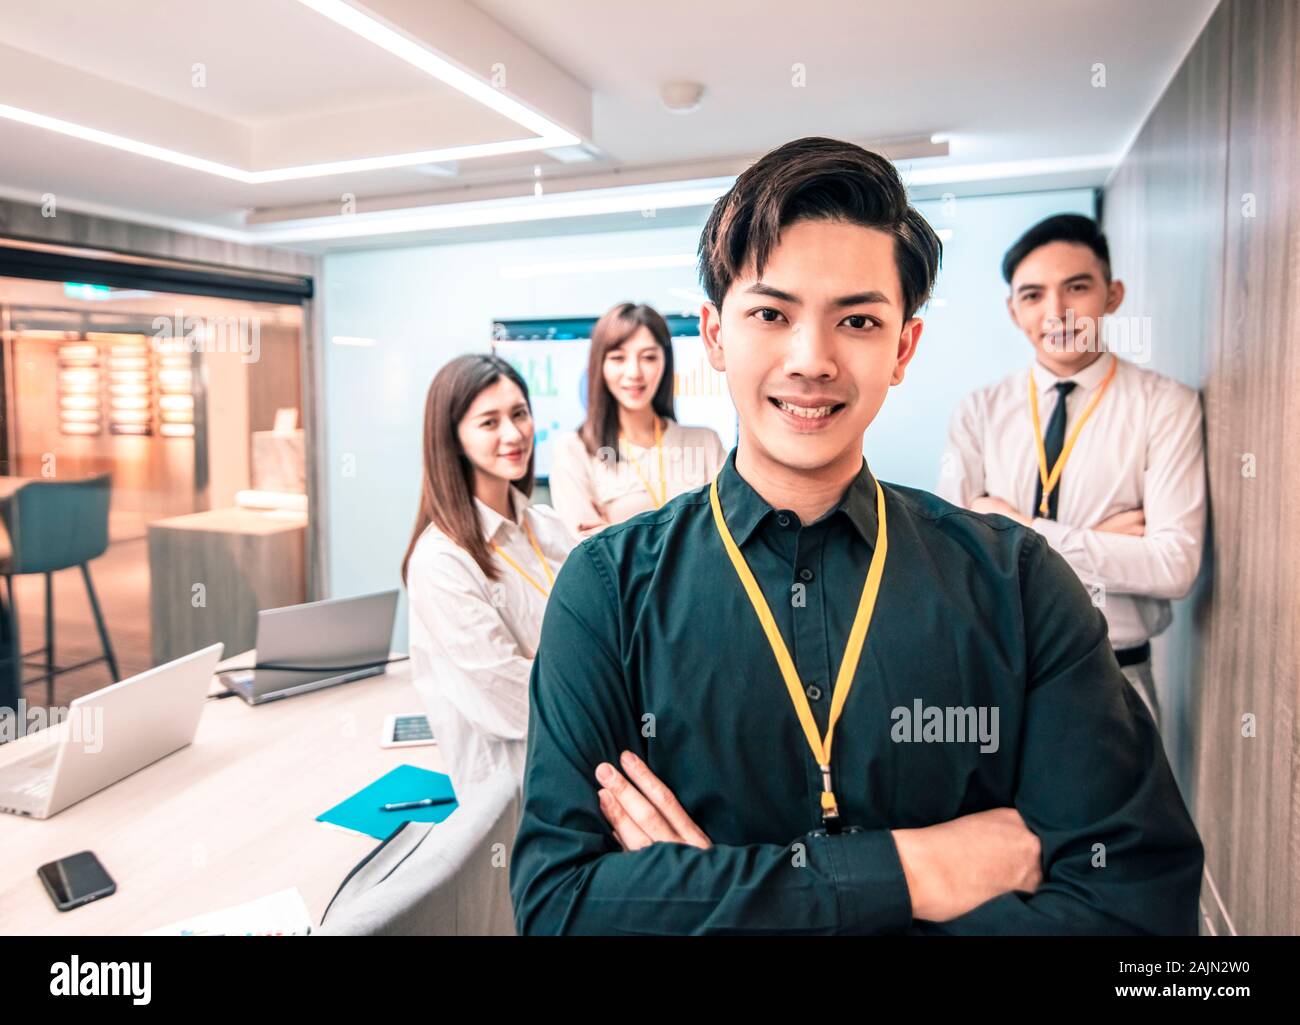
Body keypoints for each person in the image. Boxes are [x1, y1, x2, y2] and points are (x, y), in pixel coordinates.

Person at [509, 137, 1203, 935]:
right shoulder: (607, 590)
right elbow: (560, 910)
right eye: (771, 313)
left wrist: (703, 900)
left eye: (859, 320)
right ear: (715, 334)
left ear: (903, 346)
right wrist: (910, 872)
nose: (812, 360)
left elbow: (1136, 909)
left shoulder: (1015, 581)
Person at [937, 214, 1206, 728]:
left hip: (1116, 679)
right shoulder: (979, 412)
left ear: (1112, 295)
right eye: (1033, 295)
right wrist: (1098, 541)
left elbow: (1174, 566)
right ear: (1013, 310)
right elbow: (956, 563)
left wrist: (1022, 533)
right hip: (999, 678)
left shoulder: (1166, 407)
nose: (1056, 312)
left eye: (1076, 288)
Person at [402, 354, 575, 798]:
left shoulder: (549, 527)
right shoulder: (441, 561)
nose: (513, 434)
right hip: (517, 796)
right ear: (453, 438)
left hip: (583, 769)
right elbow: (512, 701)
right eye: (489, 422)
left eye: (519, 414)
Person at [548, 302, 726, 538]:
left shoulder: (705, 443)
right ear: (599, 365)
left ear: (665, 362)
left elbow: (728, 535)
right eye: (618, 358)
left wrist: (616, 535)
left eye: (649, 357)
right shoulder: (575, 450)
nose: (634, 372)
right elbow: (591, 559)